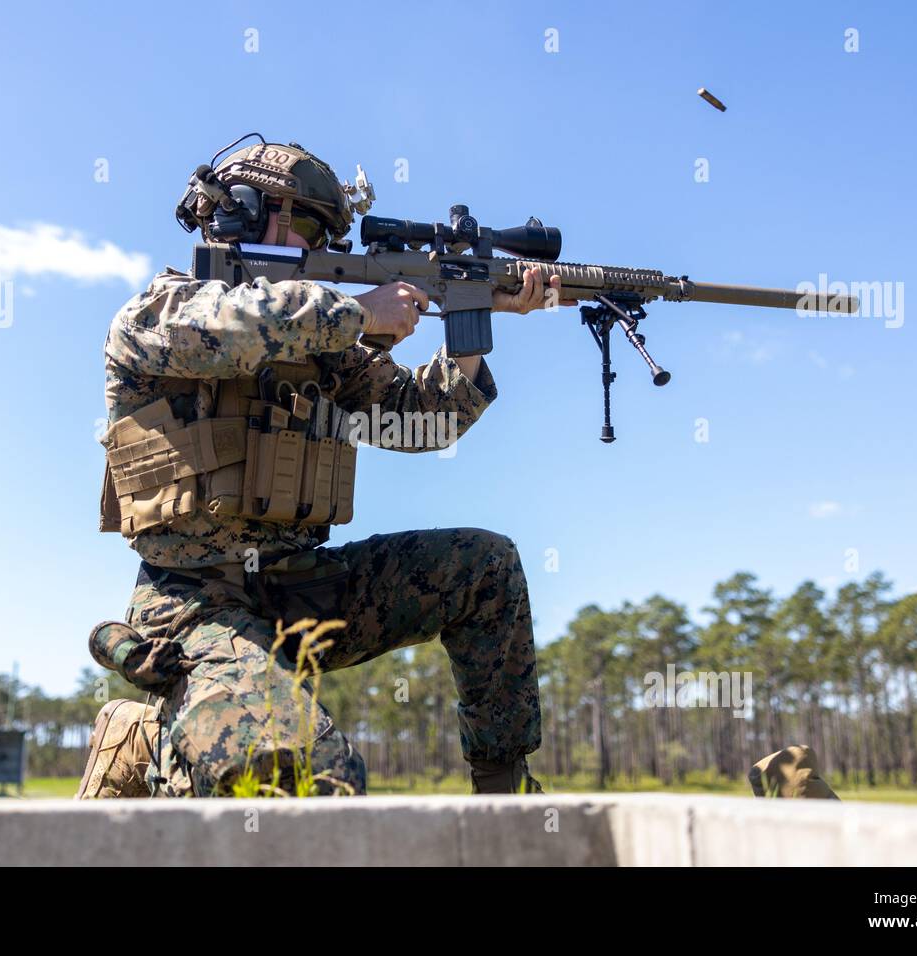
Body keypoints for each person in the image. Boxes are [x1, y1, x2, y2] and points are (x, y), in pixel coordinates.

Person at [79, 137, 565, 798]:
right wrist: (359, 313)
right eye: (307, 227)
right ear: (240, 214)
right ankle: (154, 736)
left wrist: (471, 321)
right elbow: (235, 326)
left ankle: (505, 798)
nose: (322, 254)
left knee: (484, 568)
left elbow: (419, 421)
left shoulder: (325, 346)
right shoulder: (157, 315)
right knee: (307, 782)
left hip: (304, 589)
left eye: (331, 240)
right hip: (197, 602)